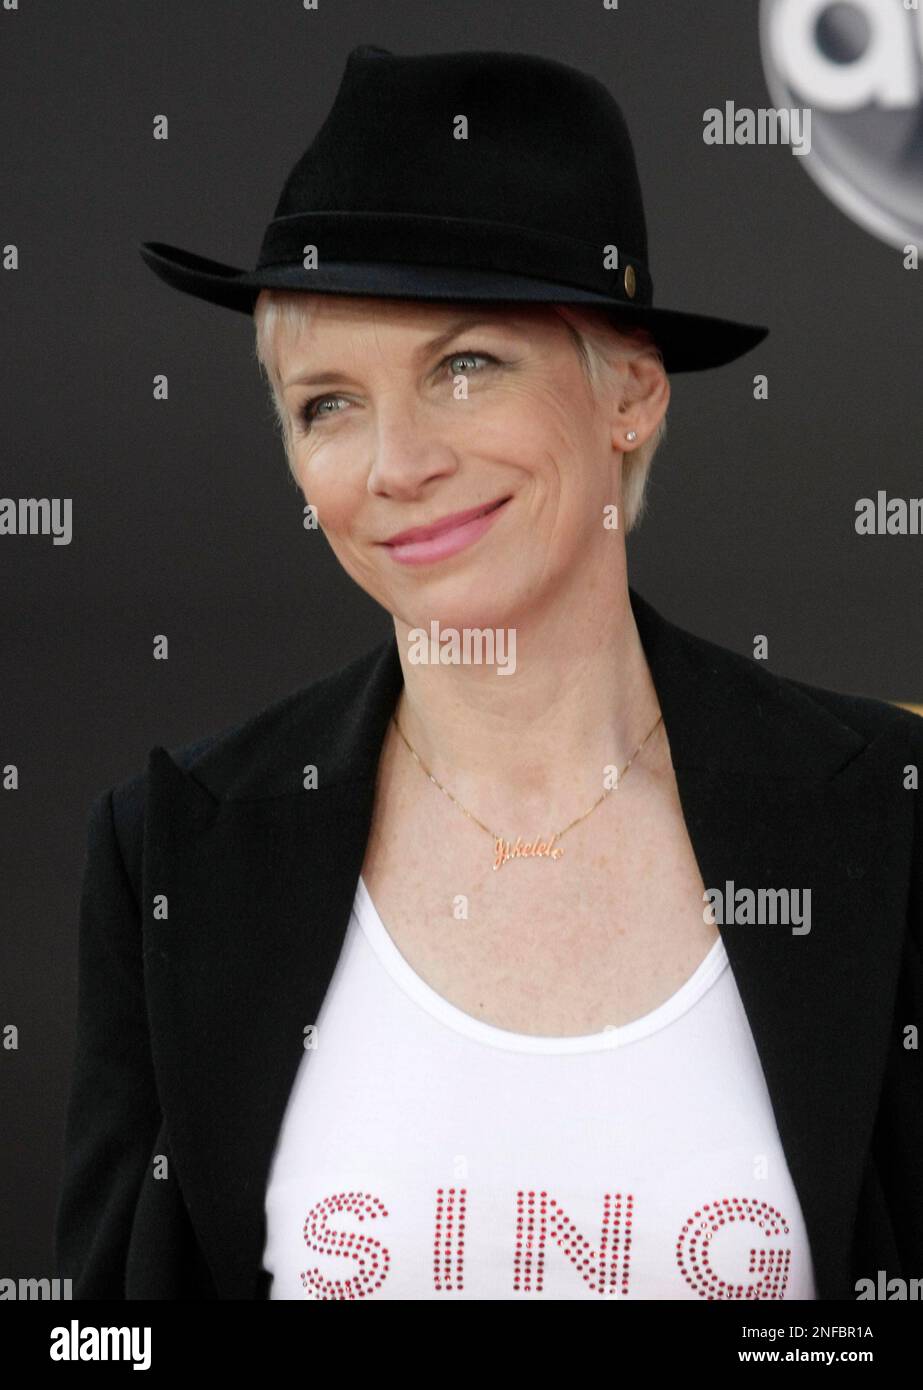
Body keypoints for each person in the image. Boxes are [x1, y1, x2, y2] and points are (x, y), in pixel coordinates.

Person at [55, 45, 922, 1301]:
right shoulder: (176, 853)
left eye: (463, 367)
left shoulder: (888, 816)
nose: (395, 462)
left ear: (627, 390)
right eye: (327, 404)